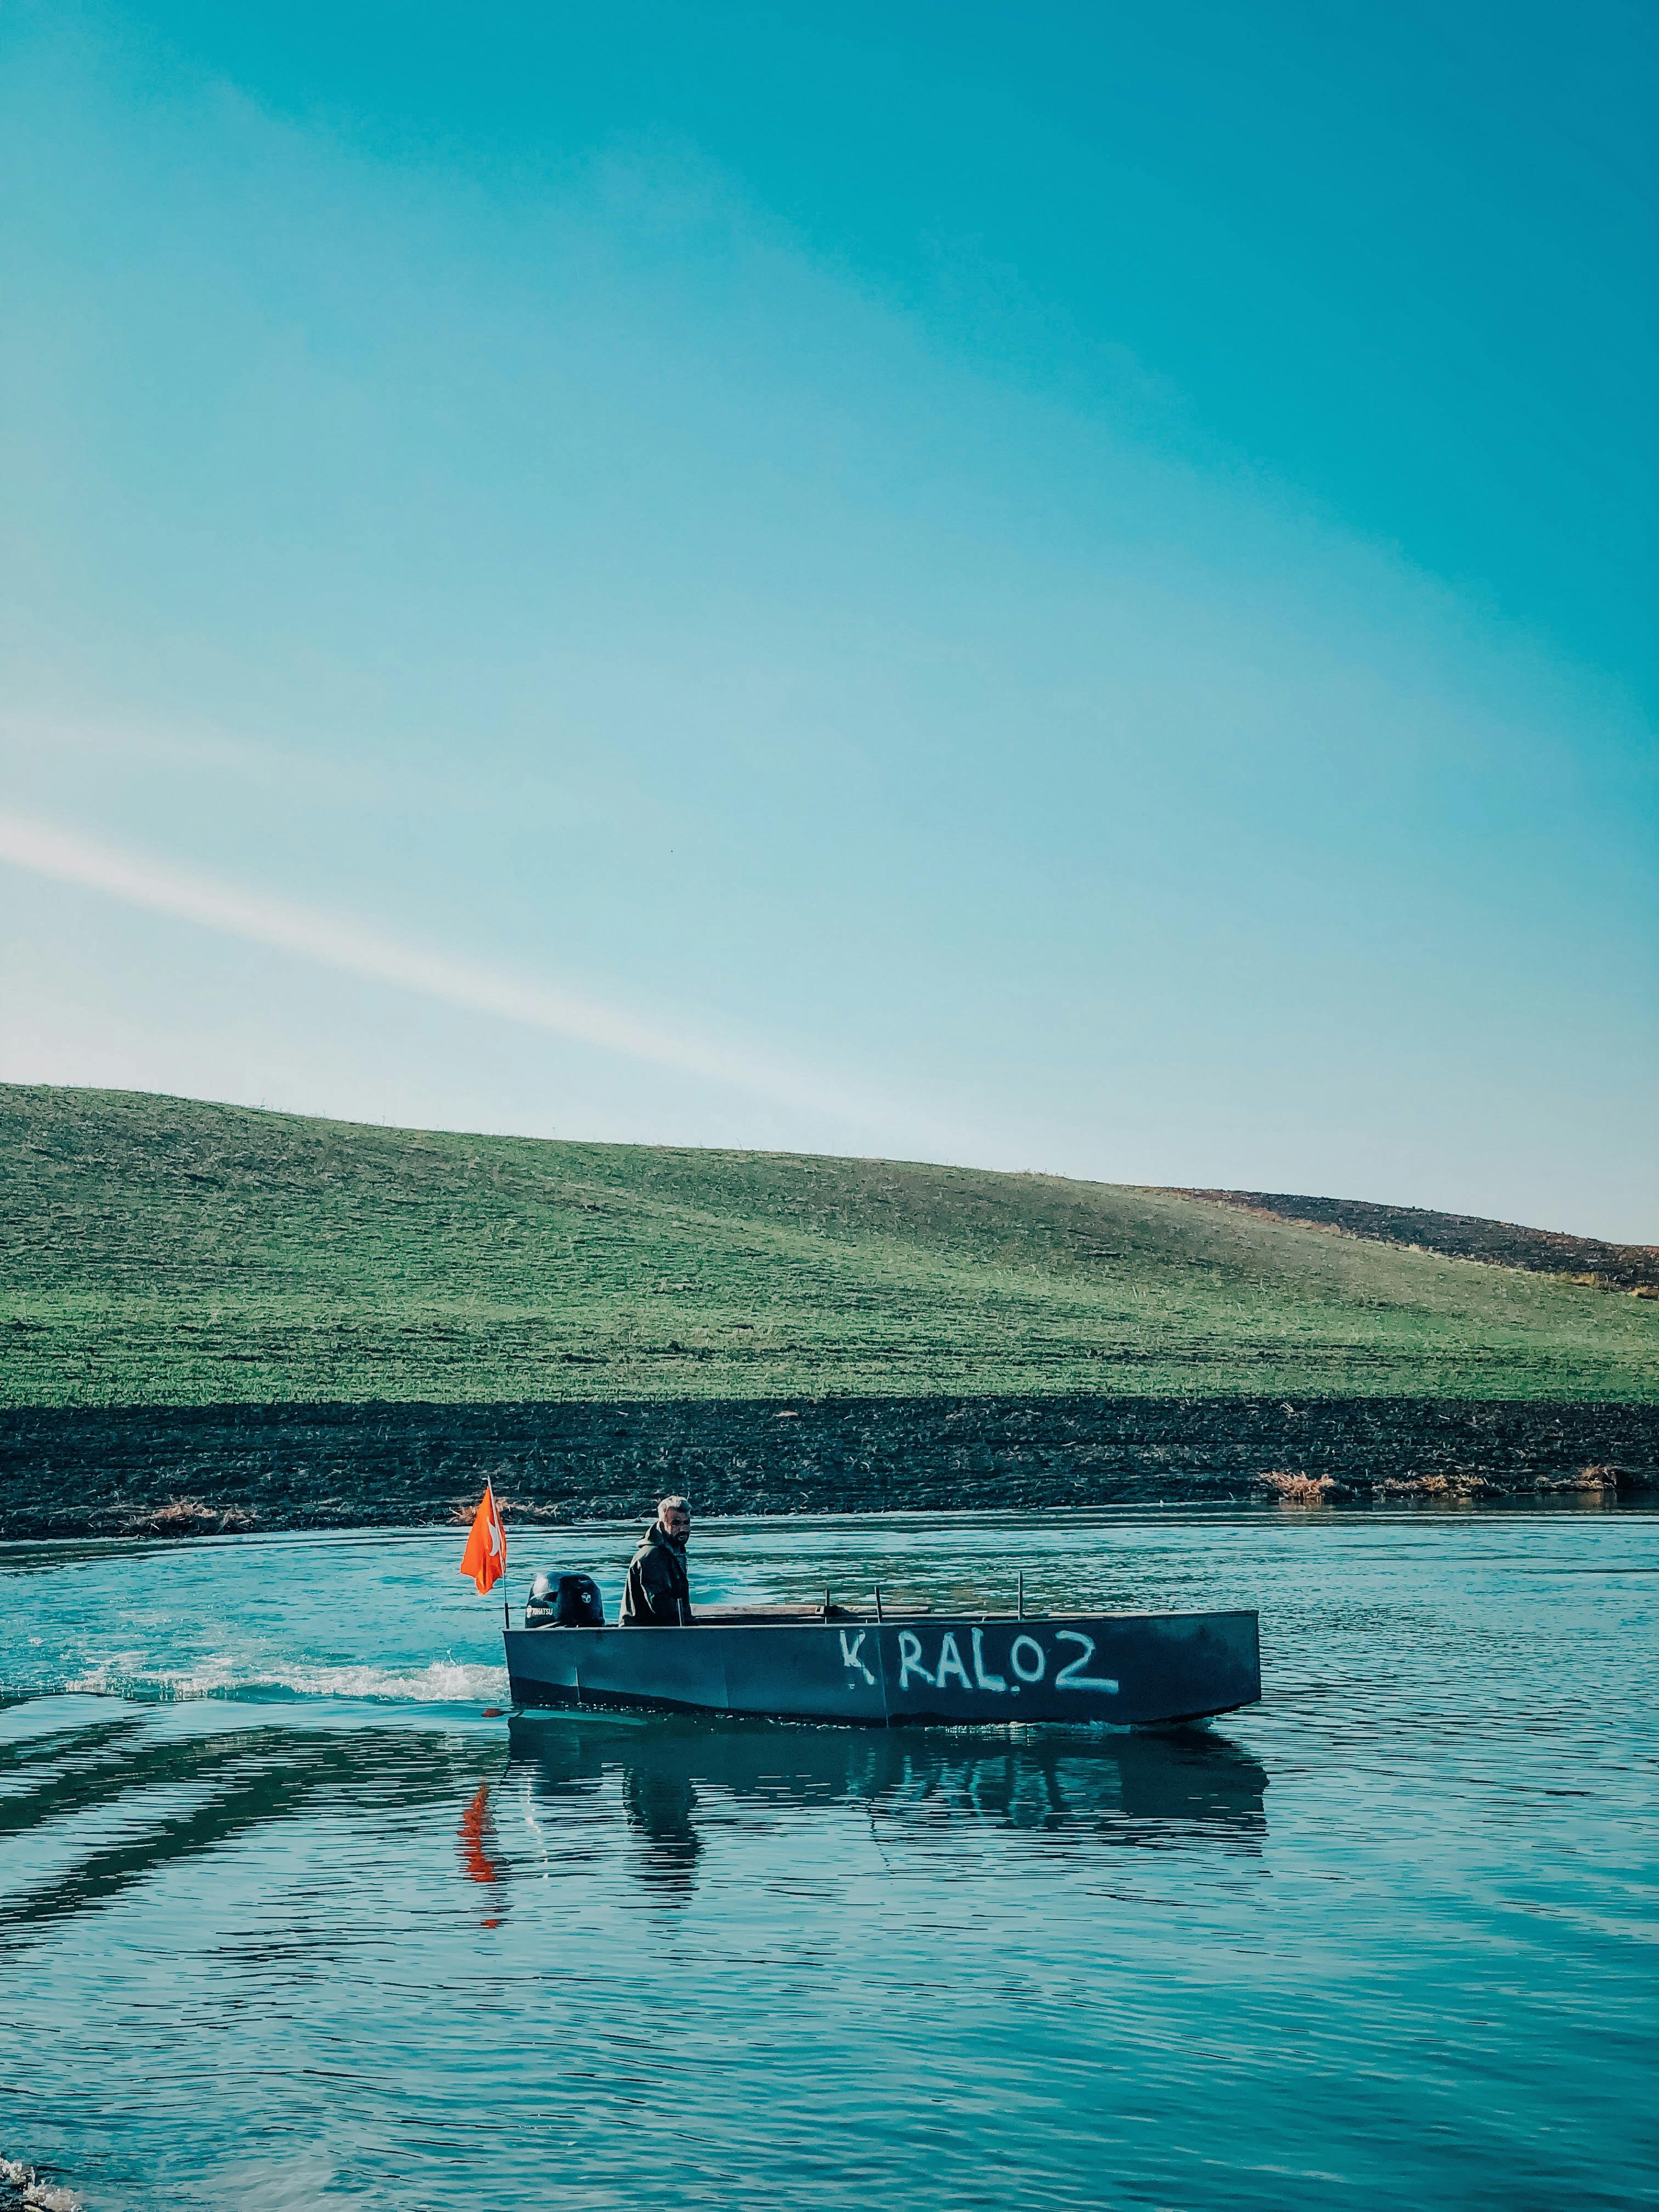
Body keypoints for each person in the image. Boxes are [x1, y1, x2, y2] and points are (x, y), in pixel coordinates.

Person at [620, 1496, 693, 1626]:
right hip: (642, 1634)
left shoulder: (675, 1549)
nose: (683, 1529)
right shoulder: (652, 1556)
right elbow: (661, 1605)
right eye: (676, 1523)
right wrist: (693, 1626)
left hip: (663, 1631)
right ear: (662, 1524)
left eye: (686, 1523)